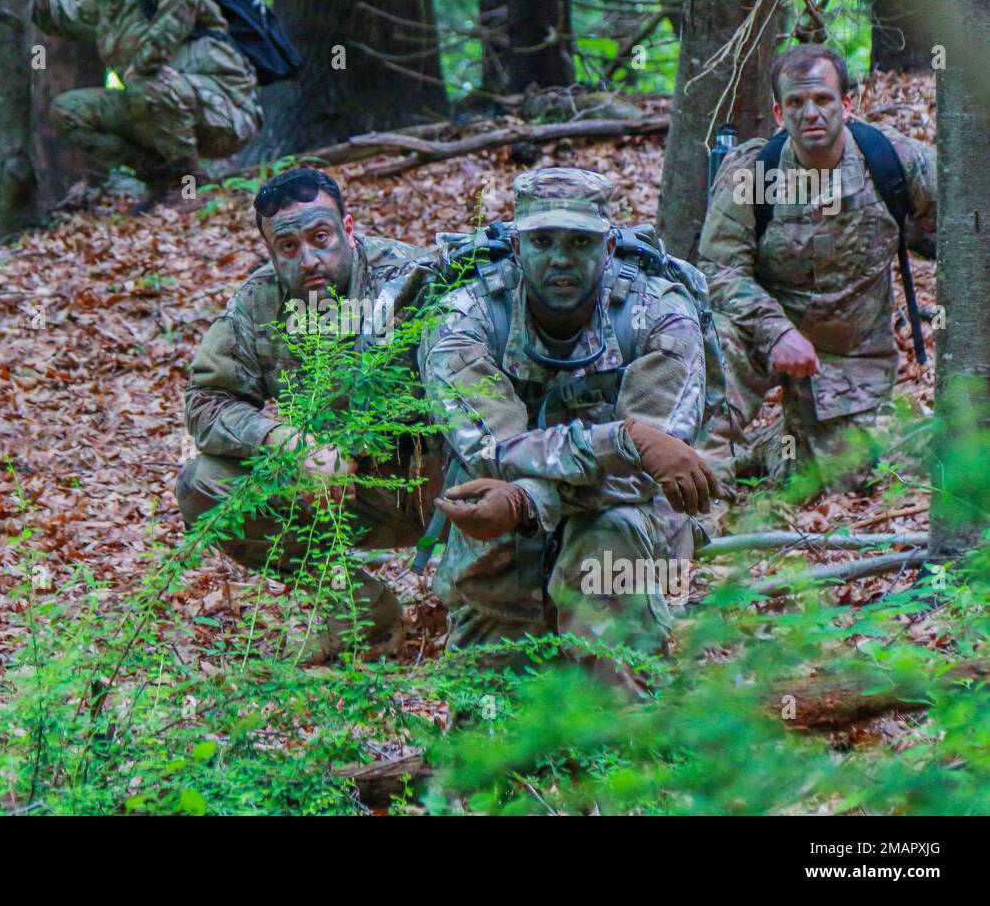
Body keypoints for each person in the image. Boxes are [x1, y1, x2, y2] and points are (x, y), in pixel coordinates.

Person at [418, 168, 716, 690]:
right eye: (542, 241)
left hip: (620, 528)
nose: (560, 258)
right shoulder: (462, 315)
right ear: (515, 245)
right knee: (488, 741)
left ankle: (621, 724)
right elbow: (492, 450)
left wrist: (526, 501)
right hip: (496, 541)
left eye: (579, 241)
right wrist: (624, 441)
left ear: (608, 244)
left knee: (610, 533)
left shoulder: (660, 314)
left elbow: (648, 474)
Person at [178, 168, 437, 660]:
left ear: (349, 228)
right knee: (204, 484)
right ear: (271, 251)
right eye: (289, 247)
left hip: (436, 479)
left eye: (321, 238)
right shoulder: (259, 302)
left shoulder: (414, 279)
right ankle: (364, 613)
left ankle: (498, 613)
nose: (310, 259)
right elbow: (207, 402)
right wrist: (291, 444)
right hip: (335, 487)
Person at [695, 43, 937, 500]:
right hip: (757, 336)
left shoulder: (895, 161)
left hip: (850, 351)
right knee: (707, 365)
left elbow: (964, 230)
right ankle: (700, 489)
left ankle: (773, 447)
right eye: (796, 102)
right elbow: (717, 270)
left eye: (823, 99)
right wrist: (776, 331)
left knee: (846, 481)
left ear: (847, 103)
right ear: (778, 111)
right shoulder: (752, 173)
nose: (811, 113)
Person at [32, 0, 263, 212]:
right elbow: (74, 20)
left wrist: (144, 62)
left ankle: (191, 185)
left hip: (223, 111)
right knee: (68, 110)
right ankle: (162, 178)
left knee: (146, 83)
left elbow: (182, 2)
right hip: (159, 107)